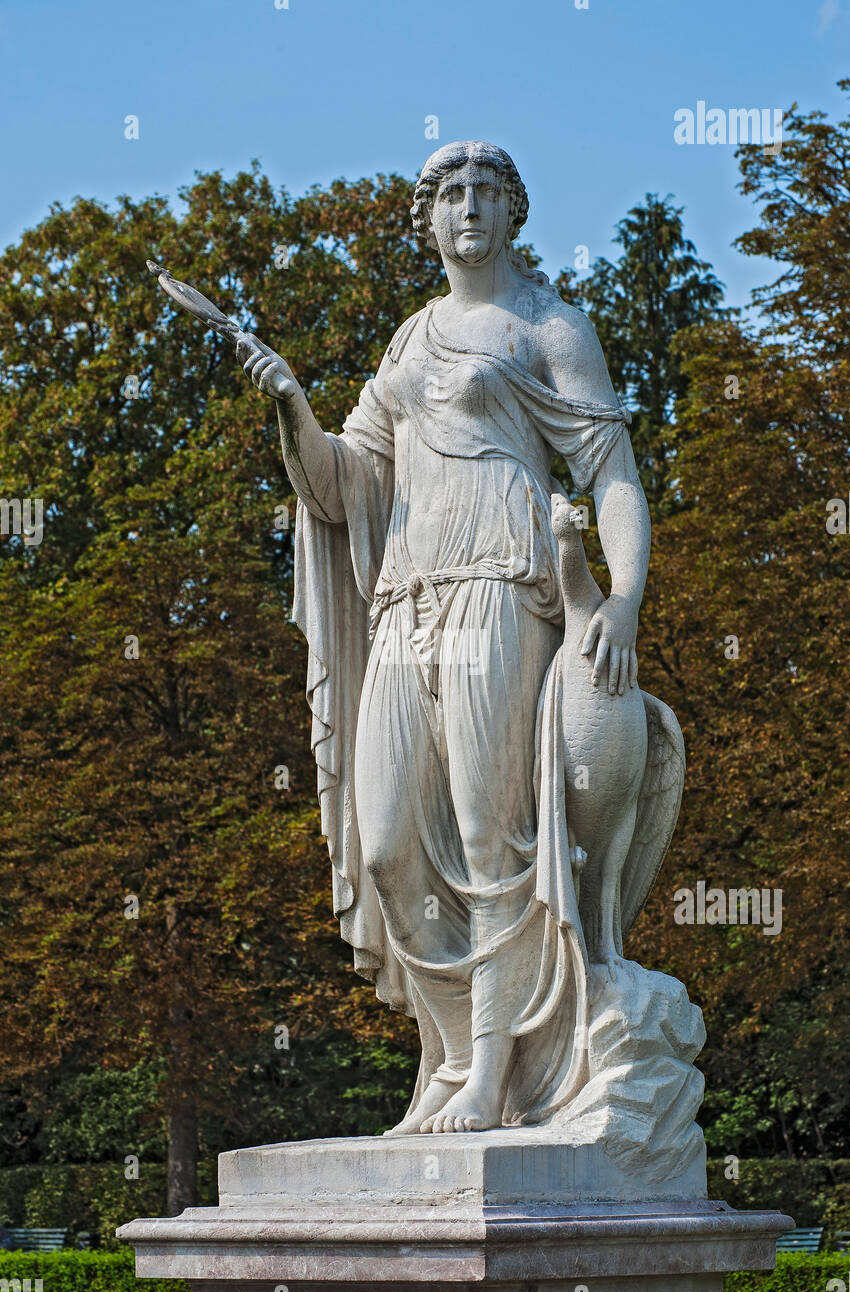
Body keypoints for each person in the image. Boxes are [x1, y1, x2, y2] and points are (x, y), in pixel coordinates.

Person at [236, 142, 650, 1134]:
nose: (467, 206)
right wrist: (291, 405)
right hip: (403, 606)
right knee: (385, 846)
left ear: (512, 214)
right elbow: (338, 485)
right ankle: (456, 1051)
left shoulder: (547, 328)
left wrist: (624, 596)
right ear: (427, 222)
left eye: (485, 192)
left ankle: (494, 1076)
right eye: (450, 194)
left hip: (497, 597)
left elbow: (613, 475)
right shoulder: (411, 341)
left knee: (489, 839)